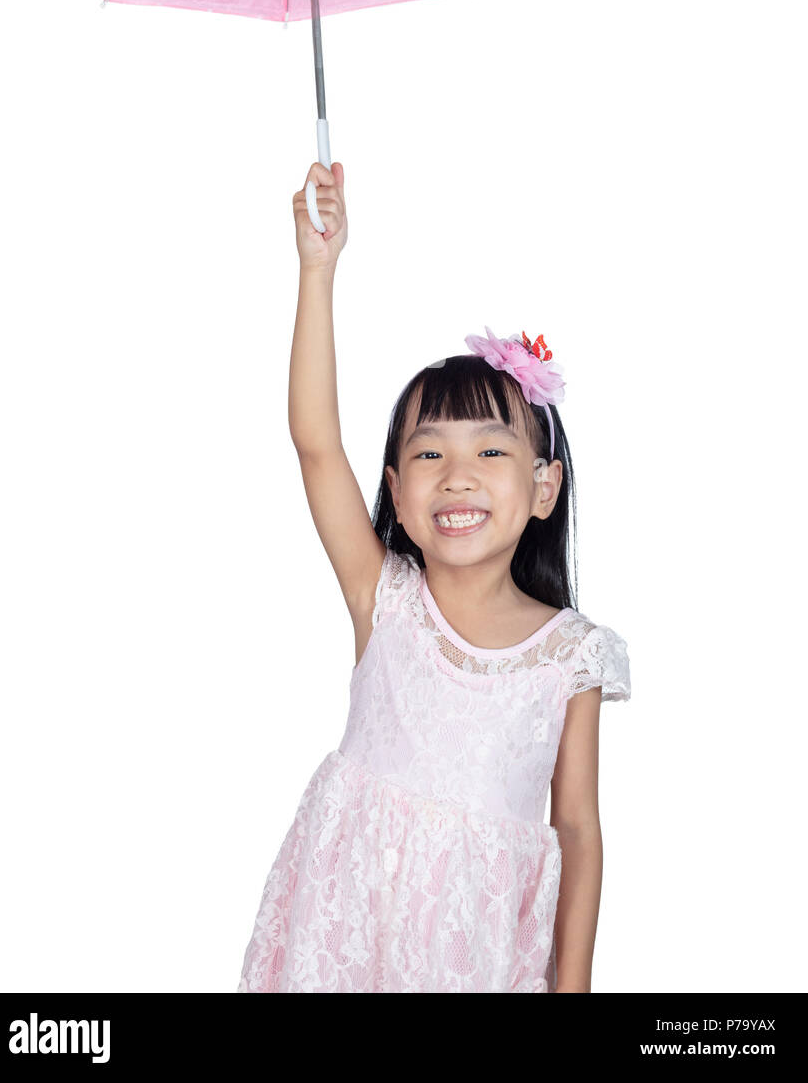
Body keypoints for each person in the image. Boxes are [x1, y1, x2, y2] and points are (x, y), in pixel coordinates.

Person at [236, 160, 631, 994]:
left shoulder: (571, 657)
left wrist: (575, 989)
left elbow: (579, 832)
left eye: (491, 450)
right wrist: (318, 269)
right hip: (342, 932)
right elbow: (314, 439)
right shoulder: (383, 600)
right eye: (429, 454)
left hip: (476, 957)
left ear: (543, 488)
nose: (458, 475)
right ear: (397, 495)